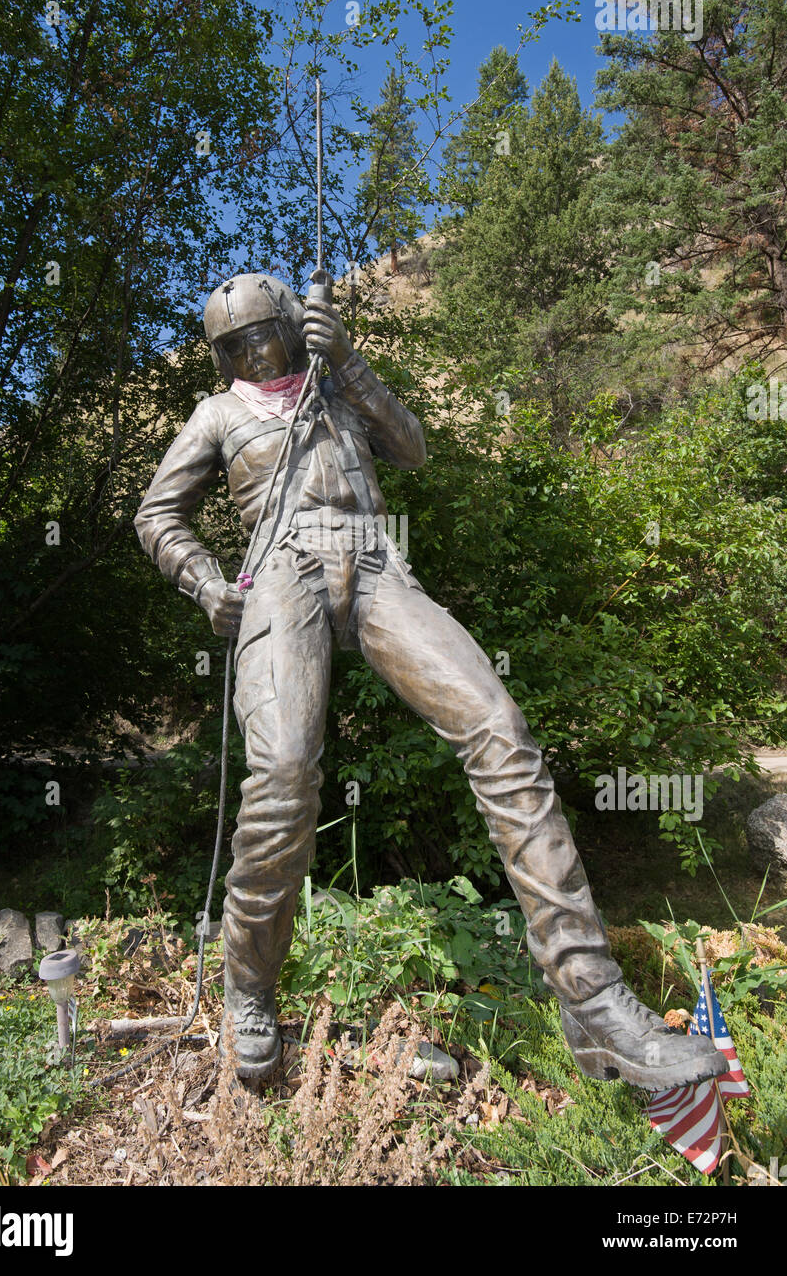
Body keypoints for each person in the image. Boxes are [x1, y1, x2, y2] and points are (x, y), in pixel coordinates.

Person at [134, 272, 726, 1090]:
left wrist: (348, 364)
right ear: (218, 356)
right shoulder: (216, 415)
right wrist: (206, 586)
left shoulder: (333, 387)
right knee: (280, 776)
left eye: (263, 335)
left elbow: (411, 448)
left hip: (376, 562)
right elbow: (156, 515)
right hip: (276, 573)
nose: (253, 353)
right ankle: (249, 992)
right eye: (233, 346)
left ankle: (590, 996)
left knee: (499, 728)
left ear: (286, 328)